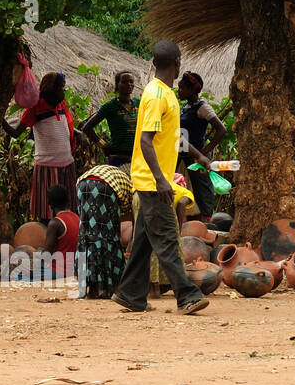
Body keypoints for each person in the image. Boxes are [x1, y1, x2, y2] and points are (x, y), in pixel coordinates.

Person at [112, 40, 209, 315]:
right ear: (177, 62)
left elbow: (172, 135)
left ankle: (130, 294)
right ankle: (188, 295)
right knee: (167, 238)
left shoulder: (165, 93)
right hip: (152, 182)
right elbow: (145, 140)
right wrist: (161, 180)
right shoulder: (156, 95)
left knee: (143, 239)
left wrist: (199, 156)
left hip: (153, 179)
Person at [3, 72, 77, 221]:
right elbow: (16, 132)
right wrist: (0, 119)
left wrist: (77, 133)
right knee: (48, 213)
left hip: (67, 165)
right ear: (52, 89)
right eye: (61, 88)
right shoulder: (35, 108)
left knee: (68, 211)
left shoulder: (61, 105)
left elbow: (64, 126)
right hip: (47, 168)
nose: (64, 91)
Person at [75, 163, 132, 298]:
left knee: (86, 234)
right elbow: (130, 215)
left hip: (82, 185)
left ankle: (89, 286)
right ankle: (105, 286)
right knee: (107, 235)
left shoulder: (114, 174)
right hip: (104, 188)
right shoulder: (131, 186)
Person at [176, 71, 226, 221]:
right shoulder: (186, 105)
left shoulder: (203, 108)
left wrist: (203, 152)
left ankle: (207, 223)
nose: (179, 90)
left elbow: (221, 130)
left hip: (197, 156)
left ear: (192, 90)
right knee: (176, 184)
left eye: (182, 87)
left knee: (202, 189)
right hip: (181, 153)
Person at [79, 71, 139, 167]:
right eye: (124, 82)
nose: (129, 85)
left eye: (131, 82)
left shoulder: (138, 103)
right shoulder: (110, 106)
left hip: (137, 157)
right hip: (117, 158)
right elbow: (87, 127)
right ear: (117, 85)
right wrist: (103, 145)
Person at [39, 184, 80, 277]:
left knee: (18, 275)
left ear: (50, 204)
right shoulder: (77, 218)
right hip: (74, 270)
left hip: (58, 271)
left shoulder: (55, 223)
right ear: (67, 200)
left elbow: (46, 255)